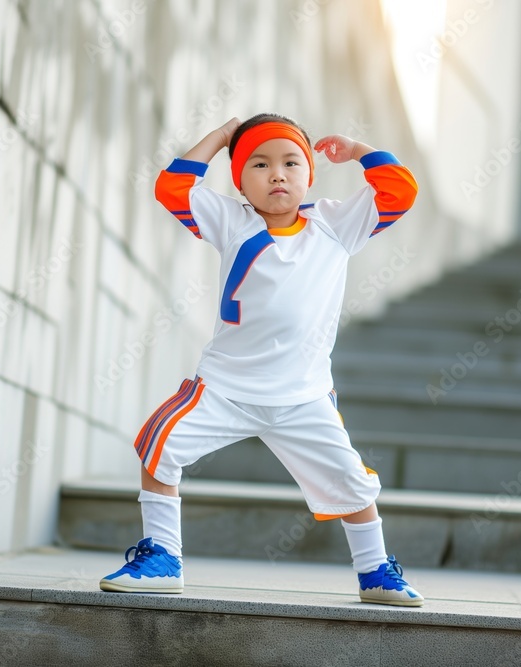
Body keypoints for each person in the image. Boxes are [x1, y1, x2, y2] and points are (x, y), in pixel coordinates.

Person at [99, 113, 422, 606]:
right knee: (158, 444)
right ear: (240, 182)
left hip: (304, 395)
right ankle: (163, 556)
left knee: (352, 482)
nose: (277, 174)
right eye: (259, 164)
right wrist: (222, 138)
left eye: (292, 162)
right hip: (225, 386)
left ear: (309, 175)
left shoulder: (334, 223)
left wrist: (358, 149)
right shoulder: (232, 220)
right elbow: (172, 187)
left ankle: (376, 571)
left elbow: (399, 189)